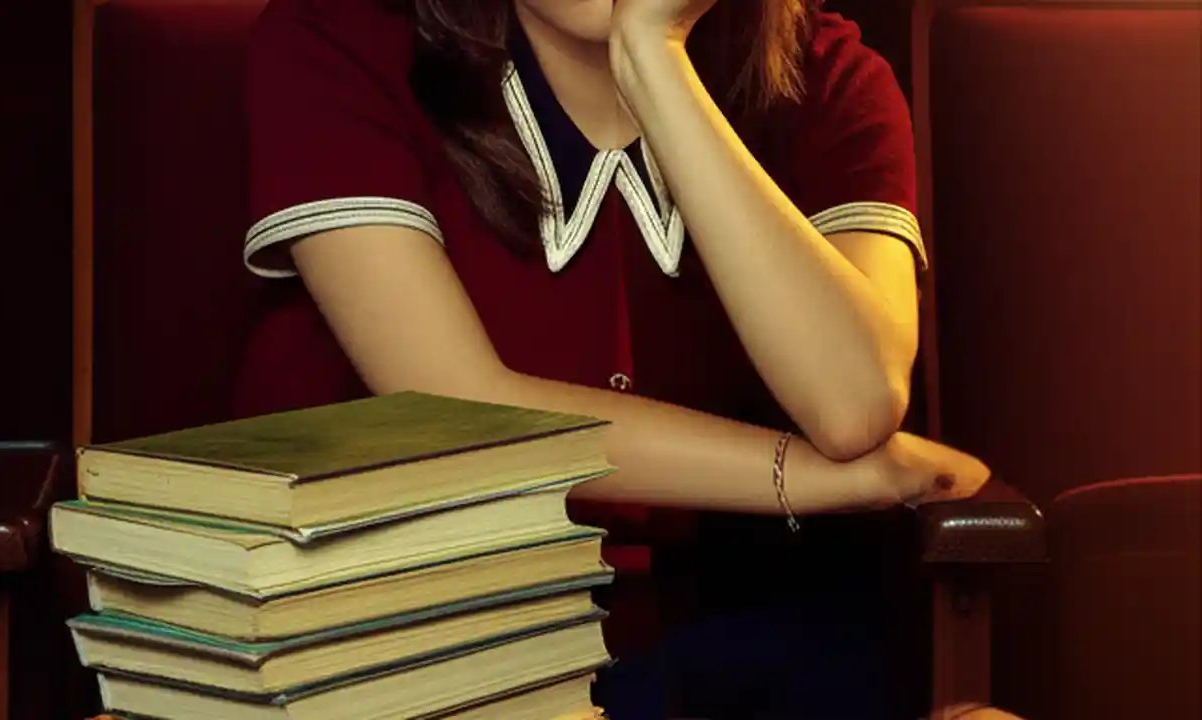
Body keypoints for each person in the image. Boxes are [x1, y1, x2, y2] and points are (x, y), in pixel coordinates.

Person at [233, 0, 991, 716]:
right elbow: (455, 402)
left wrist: (653, 58)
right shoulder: (338, 36)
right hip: (426, 631)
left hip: (746, 634)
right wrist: (816, 476)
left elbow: (855, 400)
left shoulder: (825, 72)